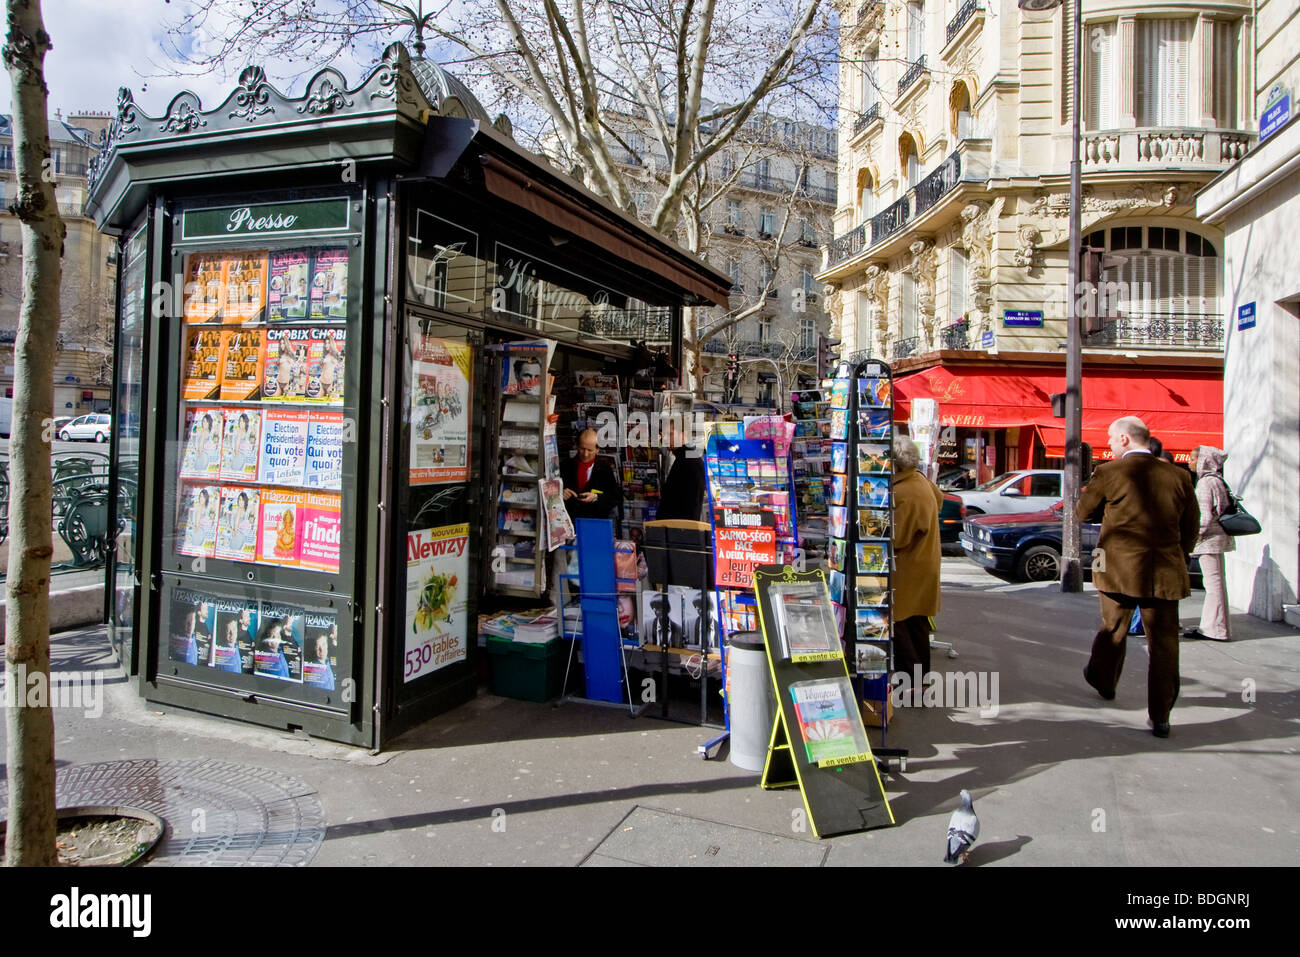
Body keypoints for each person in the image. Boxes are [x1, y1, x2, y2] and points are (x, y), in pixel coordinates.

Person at [1078, 416, 1199, 738]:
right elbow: (1191, 527)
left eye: (1111, 438)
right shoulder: (1179, 476)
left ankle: (1103, 680)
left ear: (1125, 439)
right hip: (1164, 570)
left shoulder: (1109, 472)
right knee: (1164, 644)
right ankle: (1161, 716)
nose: (1109, 444)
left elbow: (1082, 512)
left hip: (1117, 567)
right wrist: (1179, 556)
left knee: (1113, 629)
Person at [890, 435, 944, 701]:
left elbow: (897, 537)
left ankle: (911, 682)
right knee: (917, 623)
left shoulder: (904, 493)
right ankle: (921, 682)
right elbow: (940, 498)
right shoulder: (918, 479)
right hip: (924, 563)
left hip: (909, 568)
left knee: (898, 622)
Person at [1184, 446, 1233, 642]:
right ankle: (1215, 626)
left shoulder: (1205, 483)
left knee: (1212, 585)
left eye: (1193, 459)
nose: (1190, 463)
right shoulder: (1218, 481)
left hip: (1209, 541)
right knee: (1217, 584)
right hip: (1219, 539)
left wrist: (1192, 538)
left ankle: (1214, 629)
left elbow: (1202, 518)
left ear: (1203, 461)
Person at [561, 428, 622, 522]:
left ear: (597, 449)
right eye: (582, 449)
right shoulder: (565, 466)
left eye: (590, 450)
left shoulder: (605, 469)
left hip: (594, 522)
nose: (585, 454)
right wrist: (561, 493)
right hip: (569, 521)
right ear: (577, 446)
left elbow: (615, 497)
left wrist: (596, 497)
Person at [657, 445, 706, 521]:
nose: (665, 438)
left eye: (670, 434)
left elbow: (692, 503)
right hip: (675, 525)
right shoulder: (681, 457)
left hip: (679, 526)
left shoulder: (690, 459)